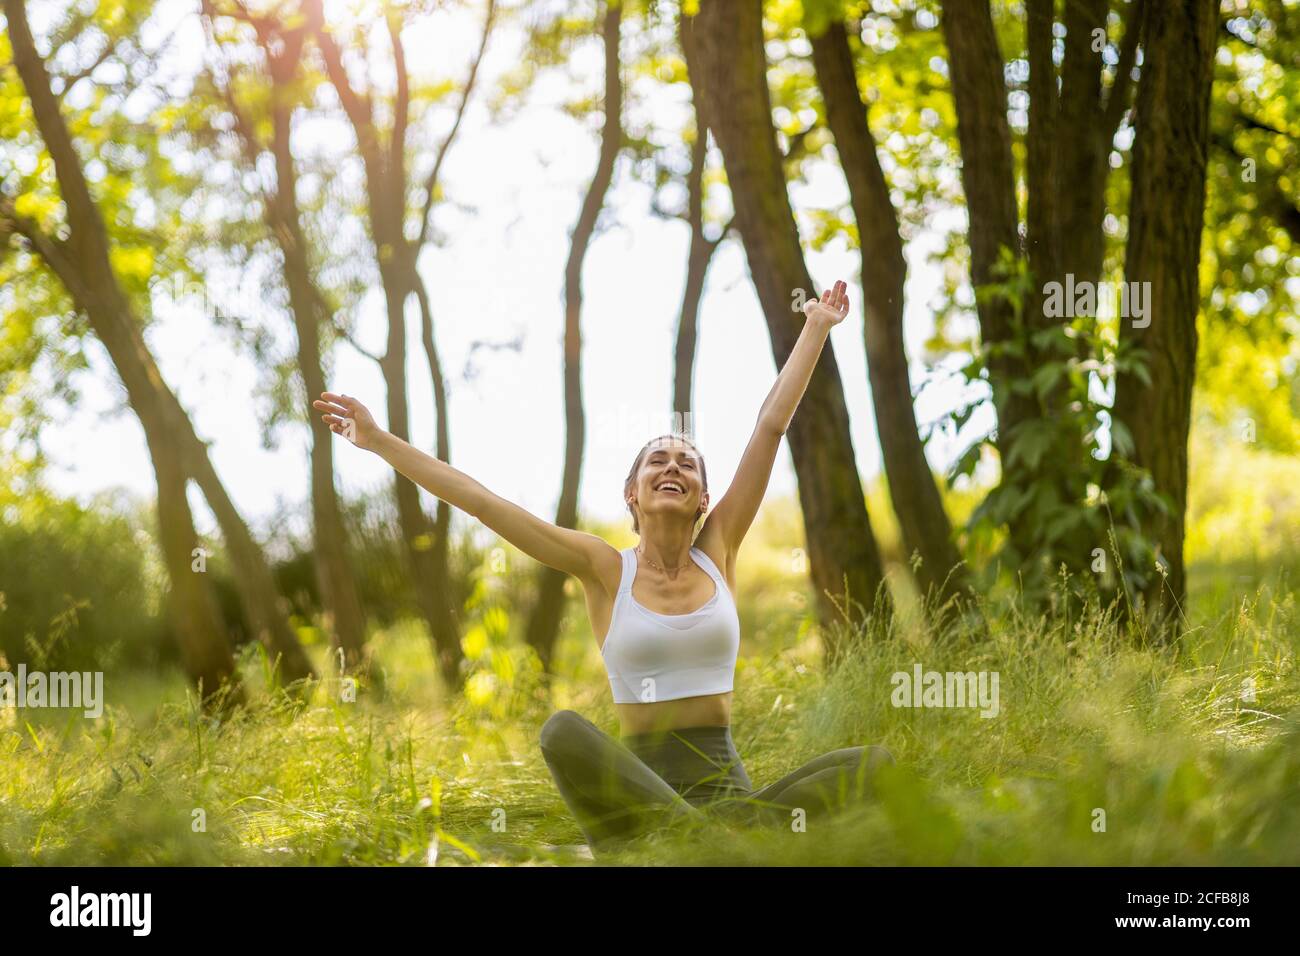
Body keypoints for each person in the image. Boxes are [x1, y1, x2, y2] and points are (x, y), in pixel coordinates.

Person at [313, 279, 893, 851]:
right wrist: (379, 441)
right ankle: (716, 845)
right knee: (562, 731)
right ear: (632, 495)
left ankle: (712, 842)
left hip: (729, 796)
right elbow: (482, 501)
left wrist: (816, 327)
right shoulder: (603, 568)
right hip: (634, 807)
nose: (674, 466)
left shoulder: (720, 551)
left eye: (688, 464)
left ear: (704, 499)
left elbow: (769, 425)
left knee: (875, 764)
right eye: (658, 461)